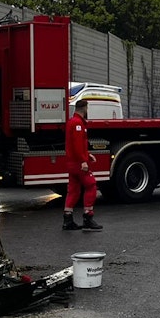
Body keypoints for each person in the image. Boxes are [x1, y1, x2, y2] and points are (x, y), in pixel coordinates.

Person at [63, 99, 101, 231]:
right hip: (79, 164)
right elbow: (78, 145)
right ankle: (88, 216)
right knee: (91, 186)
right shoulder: (78, 124)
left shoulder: (71, 122)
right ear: (84, 108)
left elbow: (74, 145)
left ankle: (67, 218)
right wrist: (84, 160)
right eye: (87, 108)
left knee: (73, 190)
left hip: (72, 163)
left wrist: (87, 154)